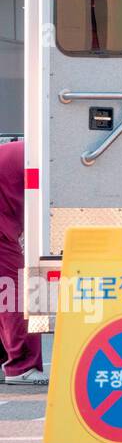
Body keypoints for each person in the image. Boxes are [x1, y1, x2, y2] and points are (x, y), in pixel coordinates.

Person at [0, 141, 46, 385]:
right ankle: (22, 367)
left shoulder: (30, 149)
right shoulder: (49, 159)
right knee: (14, 295)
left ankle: (7, 360)